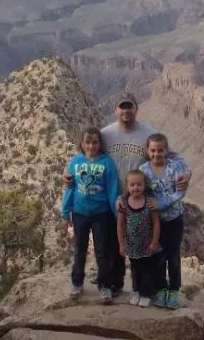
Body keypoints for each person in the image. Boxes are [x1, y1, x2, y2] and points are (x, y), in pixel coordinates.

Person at [63, 92, 191, 296]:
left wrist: (186, 172)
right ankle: (114, 285)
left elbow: (171, 155)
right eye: (122, 107)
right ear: (116, 110)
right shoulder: (105, 134)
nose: (126, 111)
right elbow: (86, 154)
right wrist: (67, 173)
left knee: (142, 245)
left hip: (140, 199)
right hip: (112, 199)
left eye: (129, 106)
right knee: (114, 245)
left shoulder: (147, 134)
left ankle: (145, 288)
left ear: (136, 109)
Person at [61, 127, 119, 304]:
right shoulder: (75, 162)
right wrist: (65, 213)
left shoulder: (106, 163)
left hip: (102, 214)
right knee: (80, 250)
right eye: (87, 142)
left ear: (100, 144)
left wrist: (117, 215)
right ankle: (77, 283)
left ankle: (104, 286)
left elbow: (112, 190)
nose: (91, 146)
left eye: (95, 142)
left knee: (102, 252)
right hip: (79, 214)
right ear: (82, 143)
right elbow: (69, 188)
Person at [139, 133, 186, 309]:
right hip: (154, 223)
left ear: (166, 151)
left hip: (174, 219)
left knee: (173, 256)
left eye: (160, 150)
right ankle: (160, 288)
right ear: (147, 151)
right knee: (158, 255)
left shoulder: (175, 168)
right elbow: (138, 190)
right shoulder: (144, 170)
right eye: (153, 150)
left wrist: (162, 203)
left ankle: (174, 290)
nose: (156, 154)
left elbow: (180, 192)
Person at [117, 170, 161, 308]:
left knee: (147, 270)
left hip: (147, 244)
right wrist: (121, 244)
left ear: (144, 186)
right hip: (132, 245)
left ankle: (146, 294)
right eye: (132, 185)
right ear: (127, 187)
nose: (136, 187)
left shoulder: (149, 203)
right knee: (135, 270)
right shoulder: (124, 204)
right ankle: (135, 291)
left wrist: (154, 242)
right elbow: (120, 225)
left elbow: (156, 223)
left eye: (139, 184)